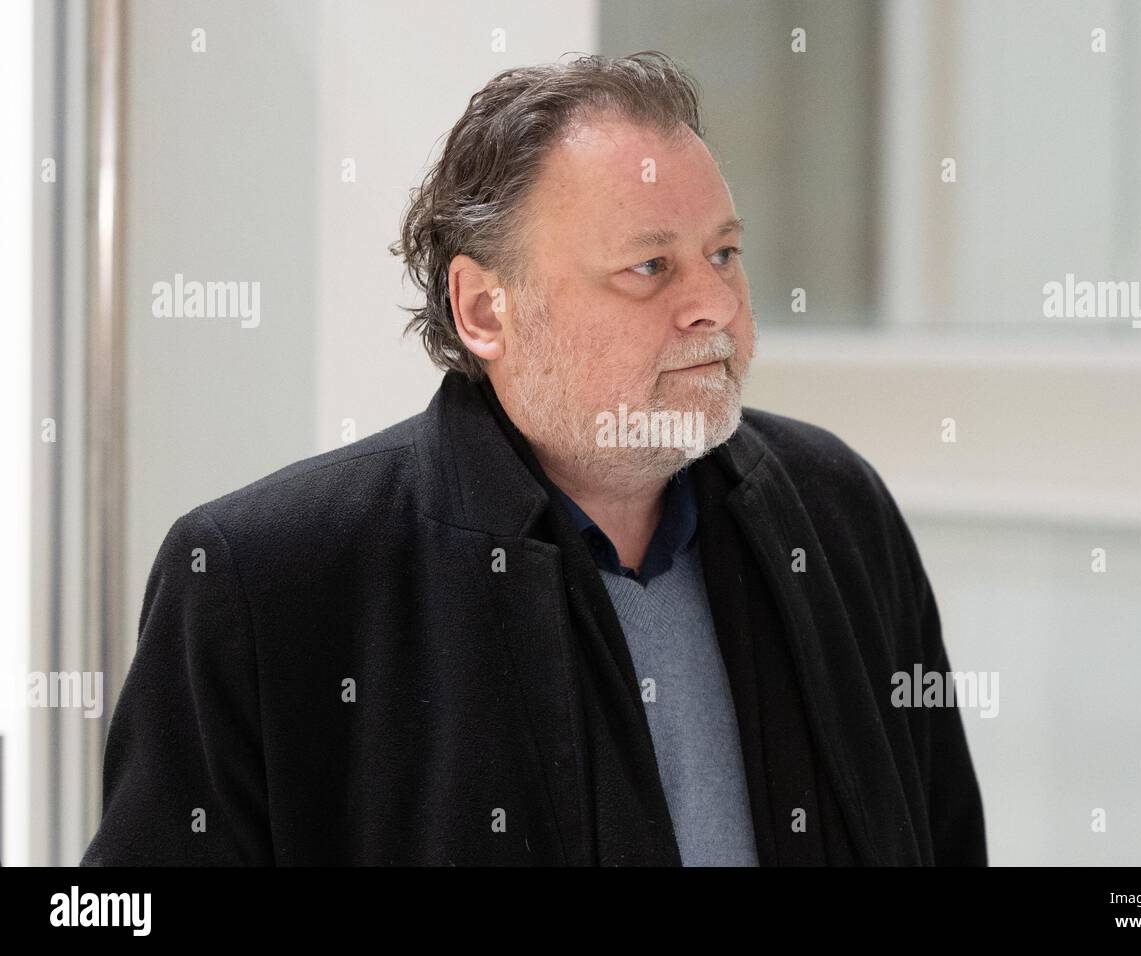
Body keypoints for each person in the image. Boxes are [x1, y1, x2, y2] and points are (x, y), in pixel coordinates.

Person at [82, 51, 986, 866]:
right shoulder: (267, 578)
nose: (715, 303)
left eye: (725, 252)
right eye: (650, 266)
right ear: (483, 310)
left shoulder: (833, 509)